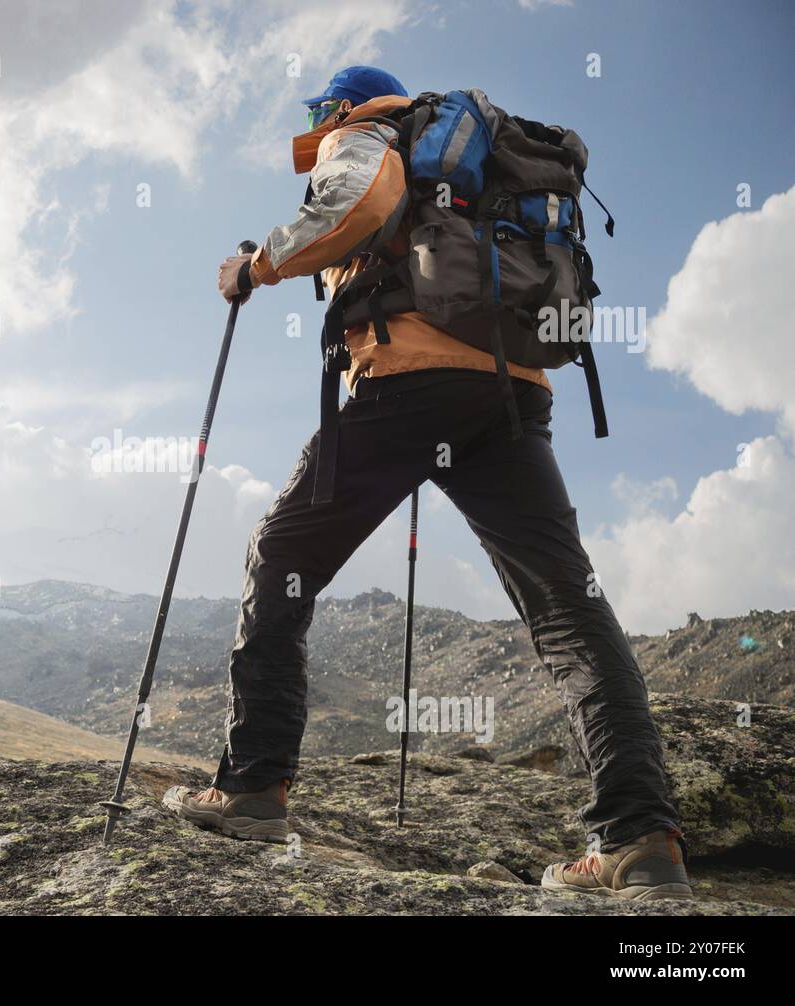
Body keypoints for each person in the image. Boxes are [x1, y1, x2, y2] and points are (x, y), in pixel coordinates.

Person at [162, 65, 691, 901]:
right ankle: (640, 842)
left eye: (316, 112)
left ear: (339, 105)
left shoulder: (367, 133)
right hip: (515, 394)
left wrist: (255, 265)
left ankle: (253, 789)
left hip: (409, 385)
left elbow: (357, 204)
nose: (316, 125)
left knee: (280, 558)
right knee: (569, 612)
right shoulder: (476, 165)